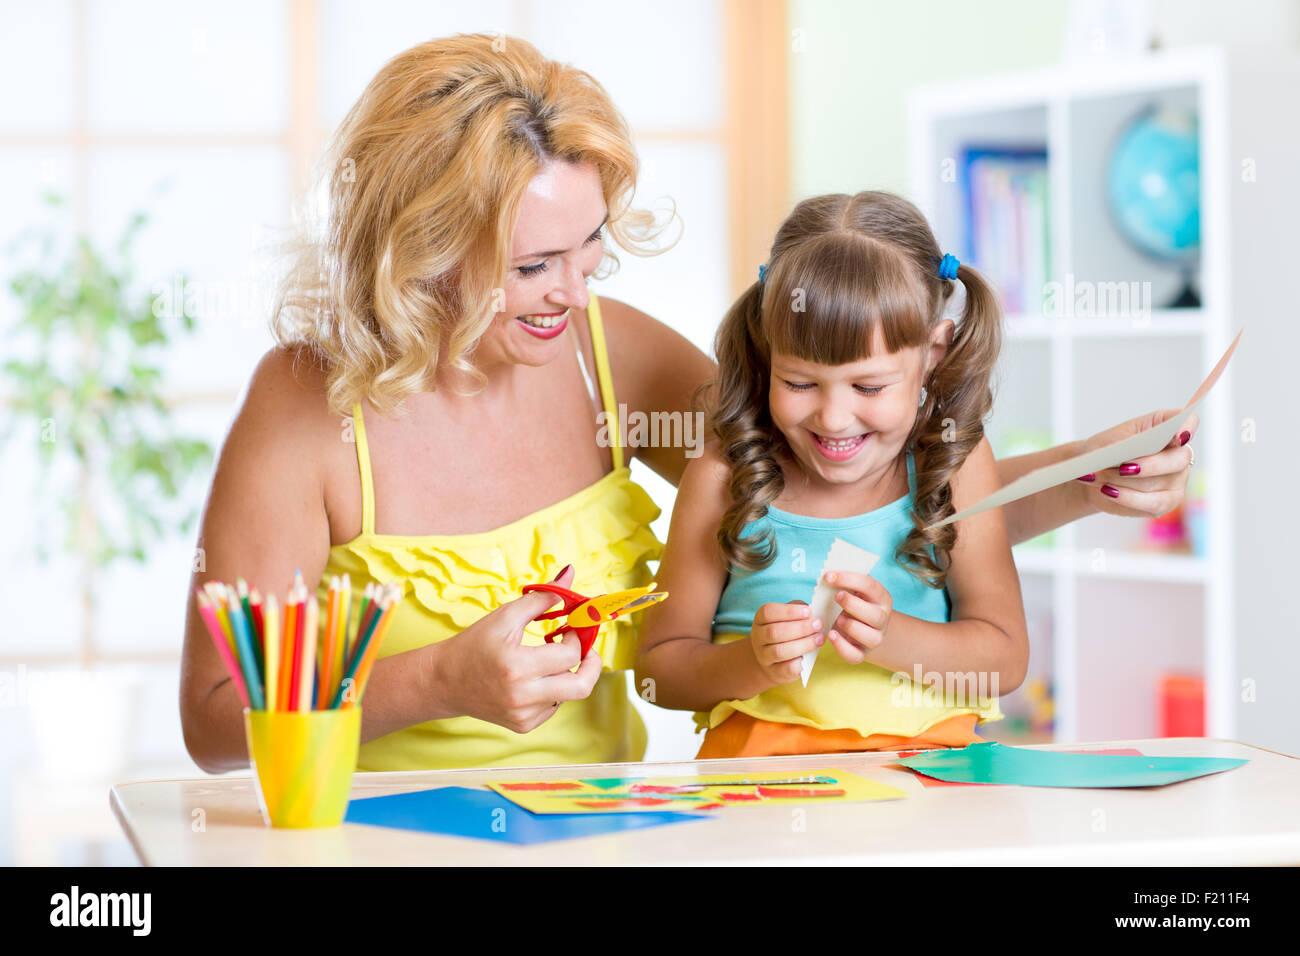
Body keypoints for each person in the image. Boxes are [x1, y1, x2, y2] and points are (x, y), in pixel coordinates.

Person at [179, 35, 1197, 774]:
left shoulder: (602, 355)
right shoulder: (309, 407)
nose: (576, 294)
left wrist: (1080, 475)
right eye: (534, 264)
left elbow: (855, 498)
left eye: (591, 251)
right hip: (376, 840)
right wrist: (439, 681)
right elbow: (219, 719)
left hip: (597, 830)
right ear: (418, 253)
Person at [637, 191, 1034, 757]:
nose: (833, 417)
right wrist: (750, 662)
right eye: (799, 383)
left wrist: (889, 638)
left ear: (933, 353)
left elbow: (1004, 659)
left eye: (869, 387)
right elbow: (659, 671)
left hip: (929, 778)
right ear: (766, 350)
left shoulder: (954, 464)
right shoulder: (724, 476)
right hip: (758, 785)